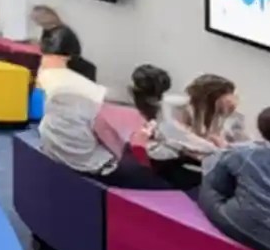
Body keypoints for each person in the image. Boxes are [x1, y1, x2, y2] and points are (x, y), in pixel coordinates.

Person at [37, 74, 170, 189]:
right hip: (98, 167)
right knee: (152, 175)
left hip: (67, 158)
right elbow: (119, 150)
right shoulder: (94, 112)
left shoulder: (49, 118)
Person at [197, 107, 270, 250]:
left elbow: (217, 182)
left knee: (209, 184)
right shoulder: (246, 152)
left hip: (241, 224)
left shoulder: (246, 153)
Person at [146, 74, 249, 191]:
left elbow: (243, 145)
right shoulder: (175, 106)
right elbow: (178, 137)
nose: (231, 101)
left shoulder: (232, 116)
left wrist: (226, 147)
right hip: (173, 159)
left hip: (205, 162)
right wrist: (219, 149)